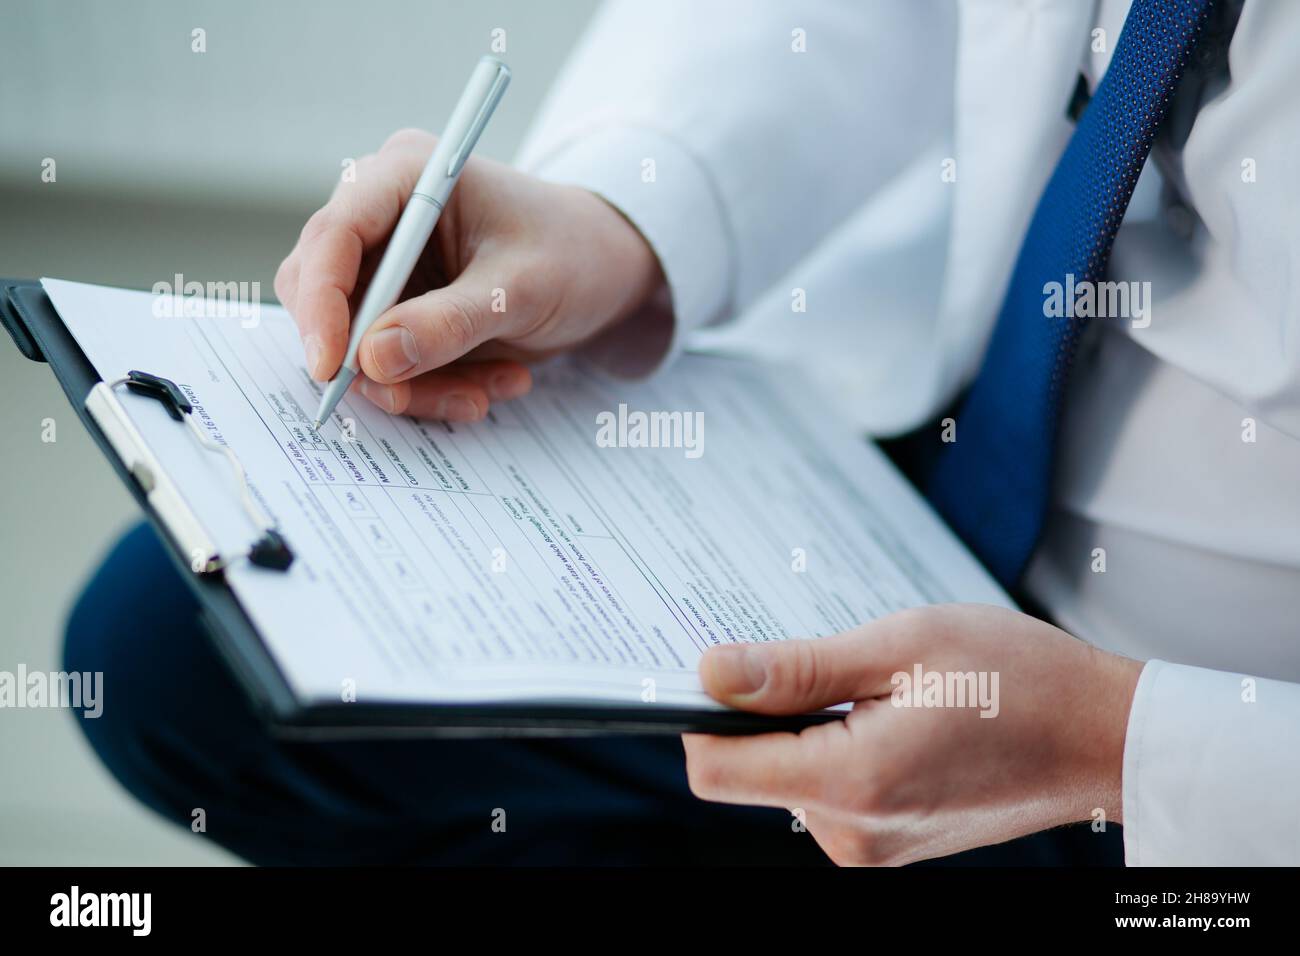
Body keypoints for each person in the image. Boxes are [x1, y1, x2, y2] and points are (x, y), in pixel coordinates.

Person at [67, 0, 1298, 865]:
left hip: (1184, 735)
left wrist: (1124, 748)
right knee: (171, 653)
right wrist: (618, 213)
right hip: (936, 446)